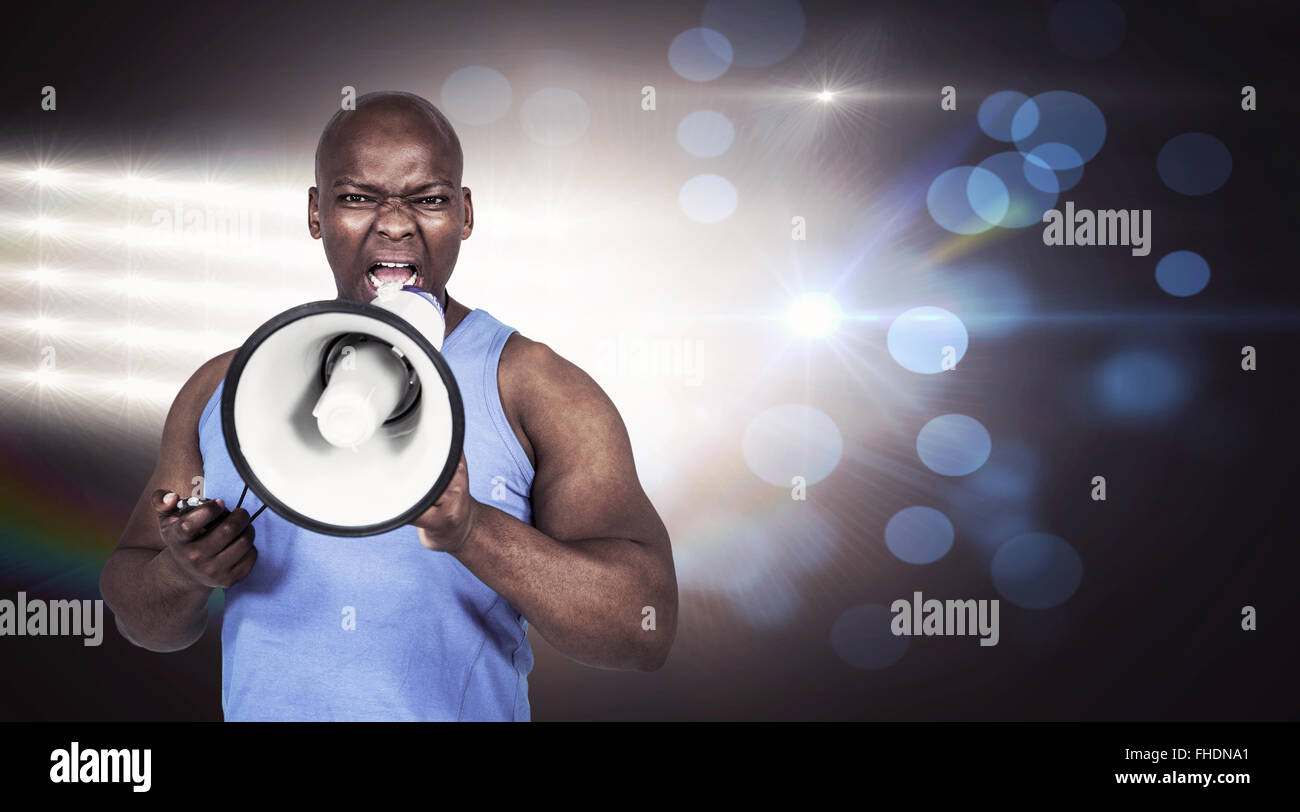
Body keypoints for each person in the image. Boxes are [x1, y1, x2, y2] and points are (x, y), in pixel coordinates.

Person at [99, 90, 678, 721]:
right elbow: (141, 621)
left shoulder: (534, 385)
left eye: (429, 199)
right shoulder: (224, 386)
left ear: (464, 213)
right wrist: (183, 573)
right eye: (357, 197)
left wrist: (471, 530)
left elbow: (642, 630)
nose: (396, 224)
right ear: (316, 212)